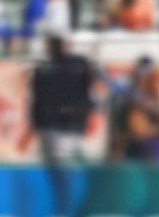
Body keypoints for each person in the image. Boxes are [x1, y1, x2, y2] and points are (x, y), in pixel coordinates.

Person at [19, 34, 106, 163]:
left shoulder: (78, 63)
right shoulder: (43, 67)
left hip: (69, 126)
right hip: (55, 127)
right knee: (63, 169)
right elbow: (38, 101)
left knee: (67, 169)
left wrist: (93, 111)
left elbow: (97, 88)